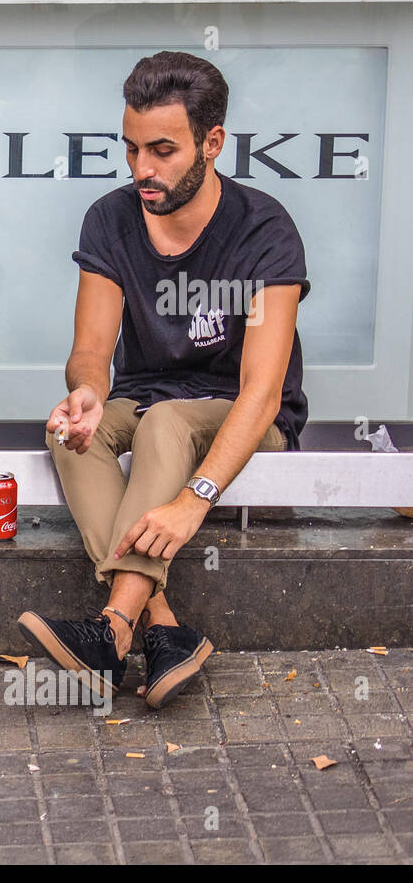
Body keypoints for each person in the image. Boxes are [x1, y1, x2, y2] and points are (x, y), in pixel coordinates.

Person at [19, 51, 309, 709]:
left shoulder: (264, 229)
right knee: (71, 431)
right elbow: (92, 349)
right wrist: (88, 393)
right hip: (147, 400)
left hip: (245, 419)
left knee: (166, 422)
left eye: (163, 150)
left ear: (213, 143)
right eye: (131, 149)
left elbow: (263, 391)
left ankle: (113, 626)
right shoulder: (111, 218)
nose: (142, 169)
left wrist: (194, 499)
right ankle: (165, 628)